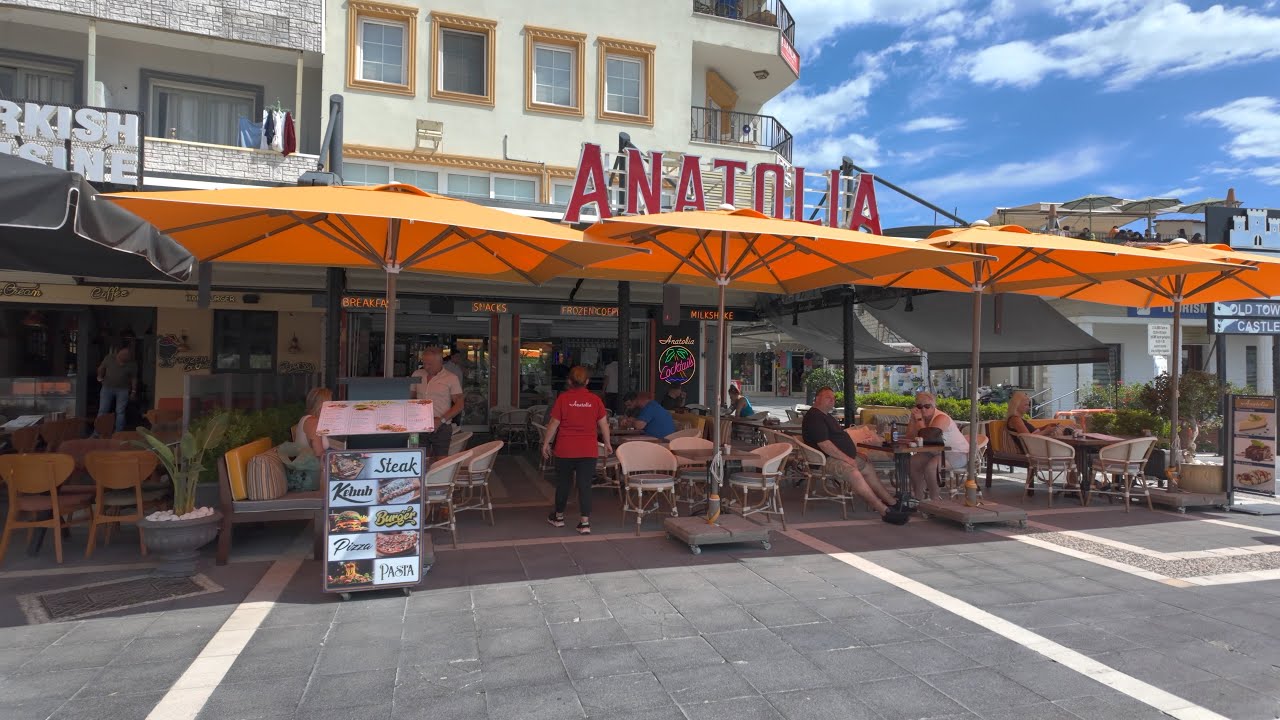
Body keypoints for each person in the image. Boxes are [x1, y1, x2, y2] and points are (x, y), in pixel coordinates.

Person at [802, 387, 909, 525]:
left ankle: (892, 502)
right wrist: (848, 458)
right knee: (855, 474)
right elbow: (825, 445)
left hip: (838, 457)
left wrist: (854, 454)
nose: (832, 401)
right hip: (825, 460)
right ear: (817, 399)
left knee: (868, 467)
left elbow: (837, 440)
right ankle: (883, 510)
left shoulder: (825, 416)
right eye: (828, 398)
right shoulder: (814, 417)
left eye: (834, 398)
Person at [542, 366, 611, 534]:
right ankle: (584, 523)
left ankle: (558, 517)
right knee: (585, 485)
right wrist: (608, 443)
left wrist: (546, 443)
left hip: (565, 449)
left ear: (569, 382)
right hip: (588, 449)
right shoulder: (595, 400)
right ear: (587, 382)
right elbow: (603, 424)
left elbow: (553, 424)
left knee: (563, 484)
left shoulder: (563, 399)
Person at [905, 392, 969, 501]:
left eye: (927, 406)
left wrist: (919, 420)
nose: (923, 409)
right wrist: (912, 419)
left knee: (932, 467)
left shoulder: (941, 418)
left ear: (934, 406)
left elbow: (929, 438)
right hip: (935, 452)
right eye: (919, 406)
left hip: (956, 453)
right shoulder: (921, 417)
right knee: (912, 462)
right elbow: (909, 436)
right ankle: (918, 497)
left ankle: (935, 500)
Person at [410, 347, 465, 458]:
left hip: (442, 426)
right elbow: (411, 398)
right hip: (419, 425)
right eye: (424, 363)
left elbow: (460, 404)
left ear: (440, 362)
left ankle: (437, 476)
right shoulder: (417, 374)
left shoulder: (451, 378)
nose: (426, 367)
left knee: (441, 461)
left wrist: (441, 420)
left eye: (430, 364)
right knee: (417, 458)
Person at [97, 344, 138, 433]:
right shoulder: (109, 358)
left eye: (127, 355)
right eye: (123, 354)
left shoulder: (132, 364)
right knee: (103, 410)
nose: (125, 357)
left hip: (123, 389)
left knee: (120, 412)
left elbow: (133, 378)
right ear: (118, 353)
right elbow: (101, 368)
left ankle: (118, 433)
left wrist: (133, 391)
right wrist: (100, 377)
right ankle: (98, 432)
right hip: (107, 388)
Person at [295, 387, 333, 457]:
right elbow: (318, 454)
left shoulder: (312, 419)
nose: (331, 406)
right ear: (321, 404)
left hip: (311, 465)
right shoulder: (312, 422)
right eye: (330, 402)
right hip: (308, 466)